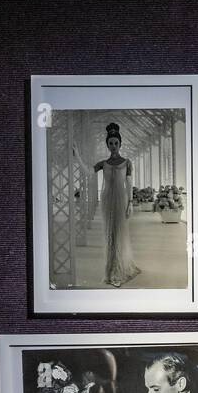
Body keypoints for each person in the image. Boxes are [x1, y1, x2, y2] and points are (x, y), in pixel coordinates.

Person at [74, 122, 141, 287]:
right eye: (110, 143)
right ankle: (111, 270)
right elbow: (89, 171)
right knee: (110, 235)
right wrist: (77, 155)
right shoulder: (103, 163)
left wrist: (130, 203)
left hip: (121, 201)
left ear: (120, 144)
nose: (113, 146)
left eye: (116, 143)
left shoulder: (127, 162)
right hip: (107, 201)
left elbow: (129, 183)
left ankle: (119, 270)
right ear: (107, 145)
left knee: (119, 234)